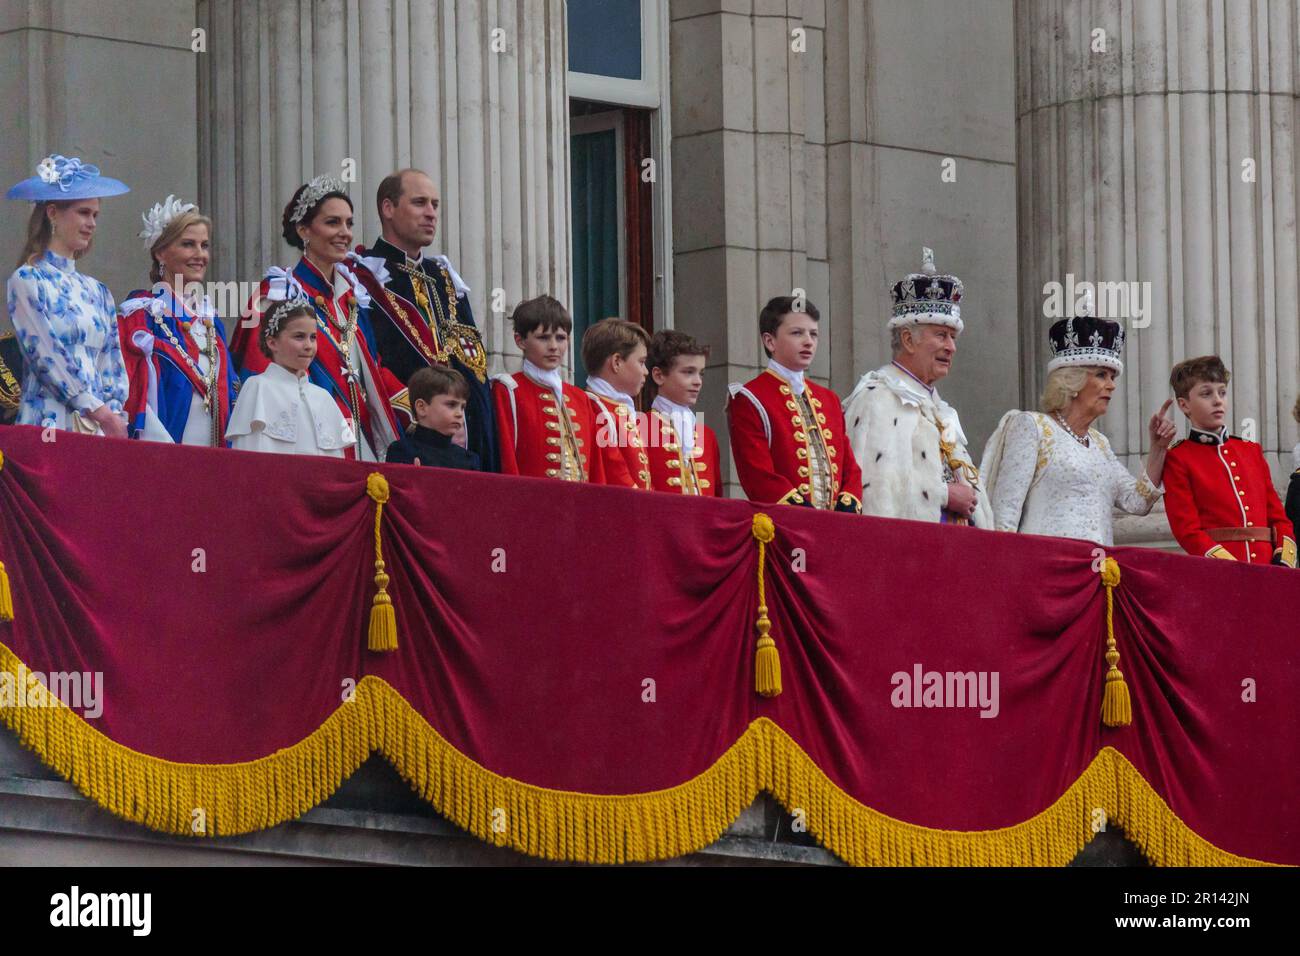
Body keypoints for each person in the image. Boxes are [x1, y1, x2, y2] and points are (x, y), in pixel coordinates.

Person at [229, 176, 407, 462]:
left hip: (363, 435)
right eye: (333, 222)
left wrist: (418, 404)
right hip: (307, 438)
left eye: (349, 223)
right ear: (304, 230)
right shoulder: (277, 293)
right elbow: (260, 368)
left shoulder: (353, 297)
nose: (345, 233)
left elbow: (372, 367)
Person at [980, 310, 1175, 547]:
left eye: (1112, 376)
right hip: (1045, 570)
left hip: (1096, 572)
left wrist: (1157, 448)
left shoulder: (1100, 443)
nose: (1111, 385)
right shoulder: (1033, 426)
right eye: (1101, 375)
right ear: (1073, 381)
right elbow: (1005, 512)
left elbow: (1137, 502)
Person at [355, 170, 496, 470]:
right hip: (406, 442)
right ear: (388, 208)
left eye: (435, 204)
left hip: (464, 447)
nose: (431, 213)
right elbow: (367, 361)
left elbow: (474, 363)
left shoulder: (443, 277)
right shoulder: (363, 275)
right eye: (419, 203)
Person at [842, 248, 989, 526]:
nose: (951, 347)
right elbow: (875, 492)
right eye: (942, 335)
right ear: (908, 340)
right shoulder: (878, 398)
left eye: (953, 337)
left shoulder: (942, 410)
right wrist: (943, 495)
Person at [5, 154, 129, 436]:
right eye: (83, 212)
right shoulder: (27, 279)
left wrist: (114, 412)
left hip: (98, 430)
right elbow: (46, 355)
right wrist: (98, 411)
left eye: (95, 215)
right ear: (52, 213)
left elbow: (112, 361)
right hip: (47, 425)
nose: (92, 223)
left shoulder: (98, 291)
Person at [117, 196, 238, 447]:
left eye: (204, 245)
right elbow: (133, 394)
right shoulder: (140, 317)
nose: (200, 255)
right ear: (160, 252)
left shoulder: (210, 320)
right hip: (164, 454)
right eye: (188, 244)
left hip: (215, 454)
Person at [727, 296, 862, 511]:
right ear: (770, 341)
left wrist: (845, 512)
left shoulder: (829, 400)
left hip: (836, 527)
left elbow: (850, 468)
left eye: (814, 334)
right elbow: (758, 476)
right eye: (797, 333)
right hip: (783, 526)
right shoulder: (749, 398)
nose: (808, 341)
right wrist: (805, 517)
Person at [1161, 356, 1295, 567]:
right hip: (1220, 574)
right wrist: (1229, 567)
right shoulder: (1178, 457)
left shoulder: (1251, 451)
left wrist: (1283, 558)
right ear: (1184, 405)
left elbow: (1279, 519)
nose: (1217, 400)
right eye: (1206, 394)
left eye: (1222, 392)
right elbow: (1187, 530)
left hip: (1269, 570)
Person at [492, 295, 606, 482]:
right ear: (520, 341)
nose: (553, 347)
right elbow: (507, 459)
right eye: (543, 338)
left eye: (560, 338)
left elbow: (596, 469)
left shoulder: (581, 398)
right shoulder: (508, 390)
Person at [225, 298, 355, 457]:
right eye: (299, 337)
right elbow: (249, 461)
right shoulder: (258, 387)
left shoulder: (324, 398)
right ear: (272, 343)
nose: (308, 346)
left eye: (313, 337)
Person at [645, 329, 720, 496]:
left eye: (701, 374)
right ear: (658, 375)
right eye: (688, 372)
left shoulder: (706, 436)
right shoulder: (639, 428)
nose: (698, 382)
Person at [582, 317, 653, 490]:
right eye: (641, 362)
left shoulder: (617, 408)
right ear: (616, 362)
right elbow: (615, 472)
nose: (646, 371)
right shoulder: (591, 408)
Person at [385, 365, 482, 470]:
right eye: (451, 405)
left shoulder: (469, 460)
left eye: (462, 407)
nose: (460, 414)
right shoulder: (401, 451)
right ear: (421, 407)